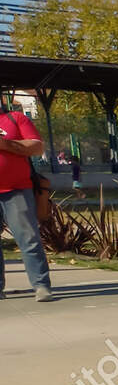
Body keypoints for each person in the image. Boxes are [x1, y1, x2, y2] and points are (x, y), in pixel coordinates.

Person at [0, 105, 54, 301]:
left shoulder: (16, 119)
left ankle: (41, 285)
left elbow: (37, 147)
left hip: (17, 189)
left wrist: (5, 144)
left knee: (29, 239)